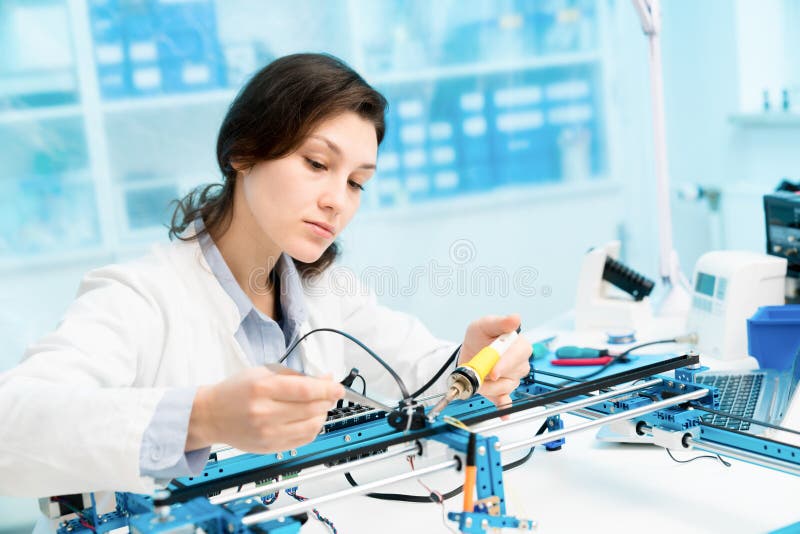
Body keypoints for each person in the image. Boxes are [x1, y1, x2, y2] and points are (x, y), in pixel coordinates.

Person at [0, 53, 531, 507]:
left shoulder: (326, 291)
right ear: (243, 153)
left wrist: (472, 362)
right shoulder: (139, 298)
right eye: (317, 163)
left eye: (356, 182)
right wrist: (203, 416)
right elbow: (11, 427)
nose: (337, 200)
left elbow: (416, 372)